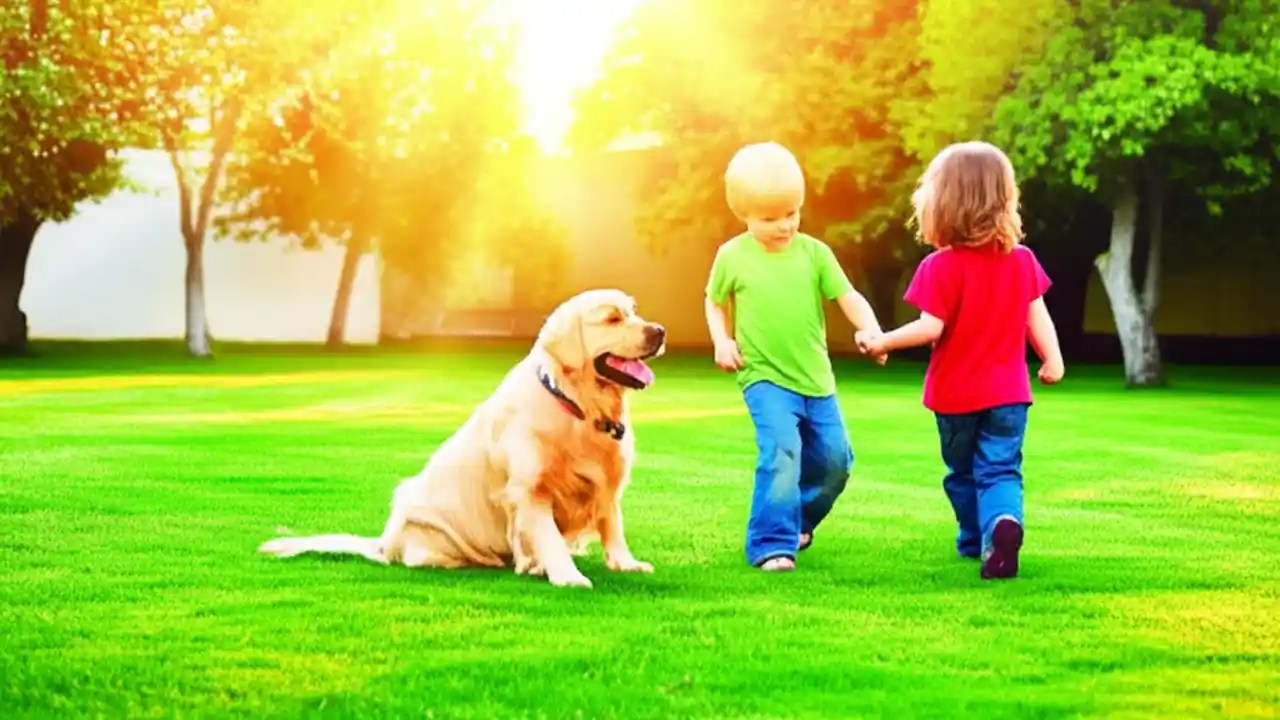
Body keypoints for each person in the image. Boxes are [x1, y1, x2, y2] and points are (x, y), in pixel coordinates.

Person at [859, 140, 1064, 580]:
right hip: (1010, 395)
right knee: (1001, 469)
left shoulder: (939, 267)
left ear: (941, 204)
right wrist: (1054, 359)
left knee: (962, 472)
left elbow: (930, 328)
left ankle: (977, 538)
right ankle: (1002, 526)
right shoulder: (1022, 261)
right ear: (1005, 200)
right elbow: (1037, 315)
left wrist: (882, 342)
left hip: (955, 397)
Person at [704, 141, 885, 573]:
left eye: (792, 213)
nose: (784, 226)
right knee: (782, 451)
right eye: (770, 218)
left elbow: (848, 295)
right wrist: (721, 340)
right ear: (742, 213)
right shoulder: (732, 256)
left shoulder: (814, 254)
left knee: (836, 463)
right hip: (763, 376)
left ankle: (798, 519)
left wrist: (870, 328)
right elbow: (713, 301)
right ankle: (771, 544)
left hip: (816, 379)